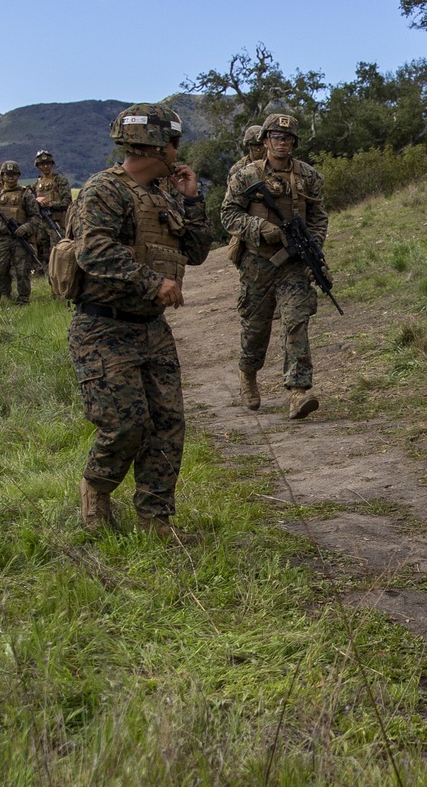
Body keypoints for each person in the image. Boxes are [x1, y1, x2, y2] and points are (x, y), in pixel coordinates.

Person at [70, 102, 212, 536]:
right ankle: (95, 490)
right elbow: (92, 250)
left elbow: (200, 251)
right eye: (173, 141)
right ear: (157, 144)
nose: (177, 149)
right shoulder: (103, 190)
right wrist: (153, 282)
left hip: (151, 328)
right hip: (103, 327)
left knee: (168, 424)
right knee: (125, 425)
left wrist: (192, 200)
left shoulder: (165, 193)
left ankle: (155, 518)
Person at [221, 112, 329, 419]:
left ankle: (298, 392)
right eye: (276, 138)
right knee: (256, 328)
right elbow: (228, 215)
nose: (282, 143)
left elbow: (319, 216)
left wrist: (312, 245)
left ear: (294, 143)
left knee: (296, 320)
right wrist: (261, 229)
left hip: (293, 263)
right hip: (257, 261)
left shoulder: (308, 175)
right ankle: (248, 372)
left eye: (288, 139)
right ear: (265, 141)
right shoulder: (246, 176)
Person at [0, 162, 41, 307]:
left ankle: (23, 300)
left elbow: (36, 218)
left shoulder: (26, 195)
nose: (11, 178)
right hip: (2, 238)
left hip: (20, 239)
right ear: (2, 176)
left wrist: (26, 227)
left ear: (18, 176)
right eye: (7, 175)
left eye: (14, 174)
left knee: (22, 271)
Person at [31, 150, 73, 262]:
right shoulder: (35, 185)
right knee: (44, 254)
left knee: (59, 253)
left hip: (57, 223)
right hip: (42, 224)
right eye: (42, 164)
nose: (45, 166)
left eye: (48, 164)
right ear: (37, 166)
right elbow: (29, 204)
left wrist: (50, 204)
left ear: (52, 164)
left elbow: (67, 202)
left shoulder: (60, 180)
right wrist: (37, 201)